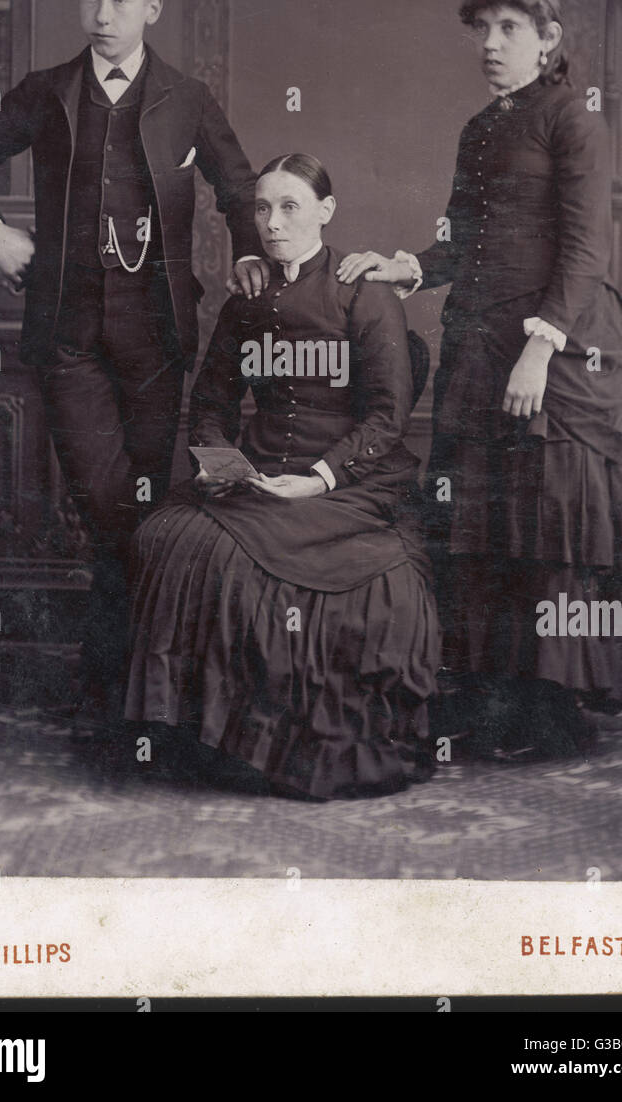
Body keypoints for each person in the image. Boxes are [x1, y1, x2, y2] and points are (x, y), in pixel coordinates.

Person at [0, 0, 269, 719]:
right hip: (67, 335)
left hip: (158, 337)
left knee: (148, 505)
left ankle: (124, 691)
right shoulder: (48, 92)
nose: (102, 15)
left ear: (151, 8)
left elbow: (239, 188)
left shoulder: (188, 99)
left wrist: (254, 255)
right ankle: (136, 689)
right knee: (108, 501)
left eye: (120, 0)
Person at [336, 0, 622, 759]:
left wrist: (544, 346)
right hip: (482, 343)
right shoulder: (479, 128)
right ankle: (494, 698)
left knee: (545, 524)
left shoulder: (573, 120)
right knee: (479, 526)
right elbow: (459, 240)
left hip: (557, 351)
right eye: (484, 29)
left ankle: (552, 711)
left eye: (511, 28)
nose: (493, 44)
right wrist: (402, 266)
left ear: (548, 39)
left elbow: (585, 248)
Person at [125, 154, 441, 799]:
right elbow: (210, 405)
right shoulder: (248, 298)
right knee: (172, 537)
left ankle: (281, 748)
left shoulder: (367, 293)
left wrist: (321, 478)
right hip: (259, 475)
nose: (272, 223)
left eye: (290, 207)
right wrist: (224, 467)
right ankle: (215, 739)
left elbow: (386, 419)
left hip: (352, 479)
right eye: (261, 209)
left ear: (326, 211)